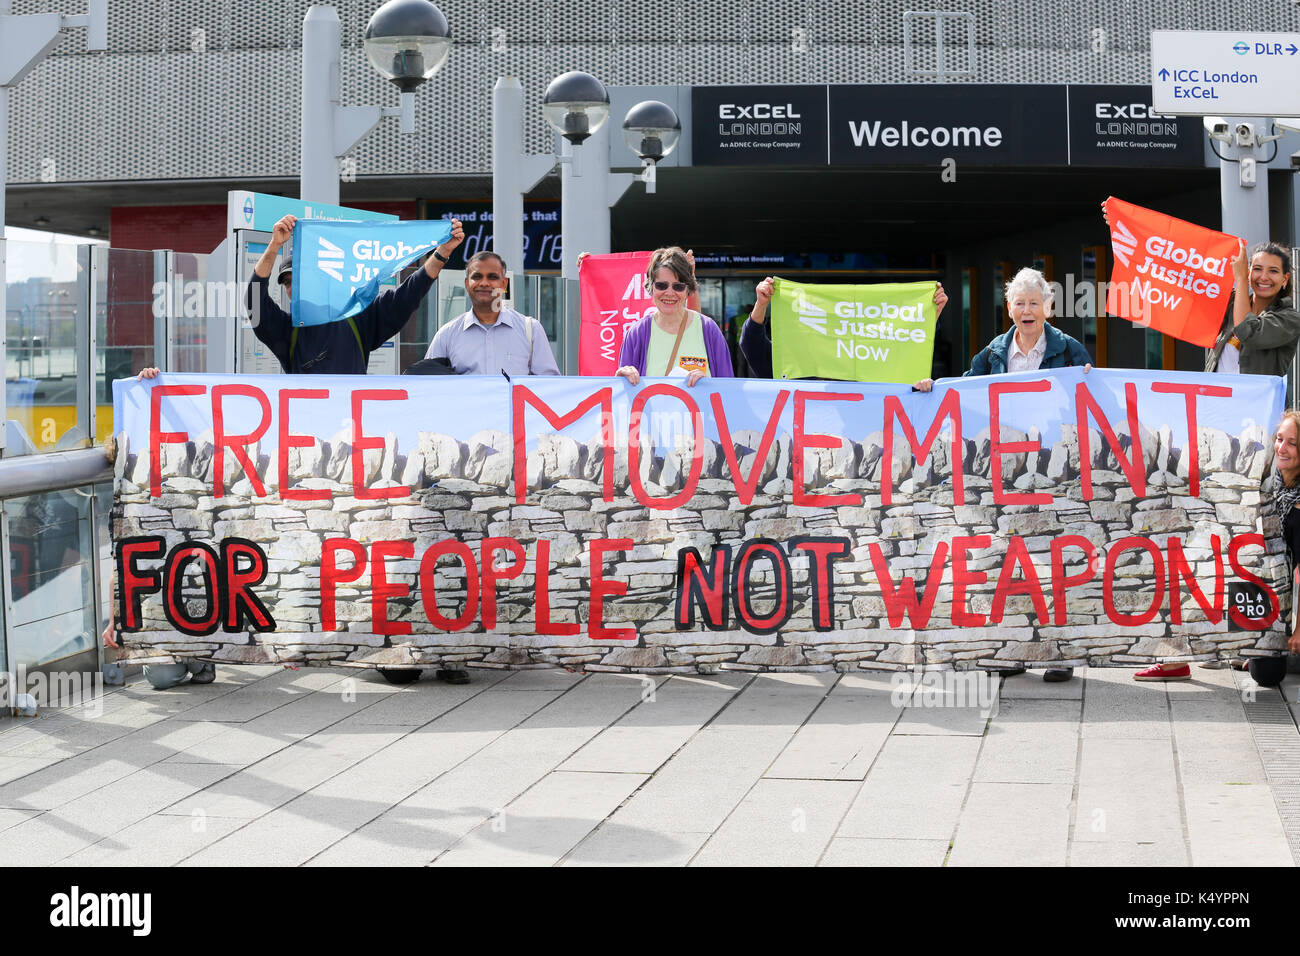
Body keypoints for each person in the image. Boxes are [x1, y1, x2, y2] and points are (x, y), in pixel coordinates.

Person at [918, 266, 1092, 683]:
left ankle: (1058, 653)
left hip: (1054, 470)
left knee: (1055, 559)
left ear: (1048, 308)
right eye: (1020, 303)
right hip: (1006, 471)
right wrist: (934, 388)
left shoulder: (1069, 351)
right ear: (1008, 308)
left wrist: (1089, 382)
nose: (1027, 310)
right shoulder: (994, 353)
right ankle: (1012, 650)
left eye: (1035, 303)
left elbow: (1092, 398)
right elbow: (965, 391)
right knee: (1010, 560)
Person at [246, 214, 464, 374]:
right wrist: (274, 246)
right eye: (287, 283)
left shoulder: (358, 318)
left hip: (350, 431)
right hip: (304, 431)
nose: (293, 287)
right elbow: (254, 301)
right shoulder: (286, 330)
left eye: (300, 280)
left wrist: (443, 252)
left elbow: (408, 294)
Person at [742, 276, 950, 379]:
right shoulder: (797, 364)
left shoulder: (870, 362)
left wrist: (929, 314)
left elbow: (905, 350)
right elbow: (752, 346)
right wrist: (761, 305)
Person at [424, 250, 561, 376]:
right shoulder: (447, 335)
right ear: (467, 283)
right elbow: (429, 385)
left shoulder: (531, 330)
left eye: (492, 277)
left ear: (504, 284)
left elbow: (548, 386)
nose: (484, 283)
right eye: (477, 277)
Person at [615, 246, 733, 386]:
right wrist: (621, 380)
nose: (669, 293)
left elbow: (728, 388)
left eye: (678, 286)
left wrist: (706, 385)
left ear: (688, 289)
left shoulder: (708, 329)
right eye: (661, 285)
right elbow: (624, 398)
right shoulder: (636, 333)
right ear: (651, 287)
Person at [1204, 241, 1300, 376]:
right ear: (1249, 273)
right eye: (1257, 269)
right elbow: (1193, 286)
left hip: (1258, 397)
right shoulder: (1231, 303)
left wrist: (1241, 279)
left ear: (1285, 279)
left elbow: (1247, 330)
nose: (1264, 277)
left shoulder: (1289, 318)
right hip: (1216, 396)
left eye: (1273, 271)